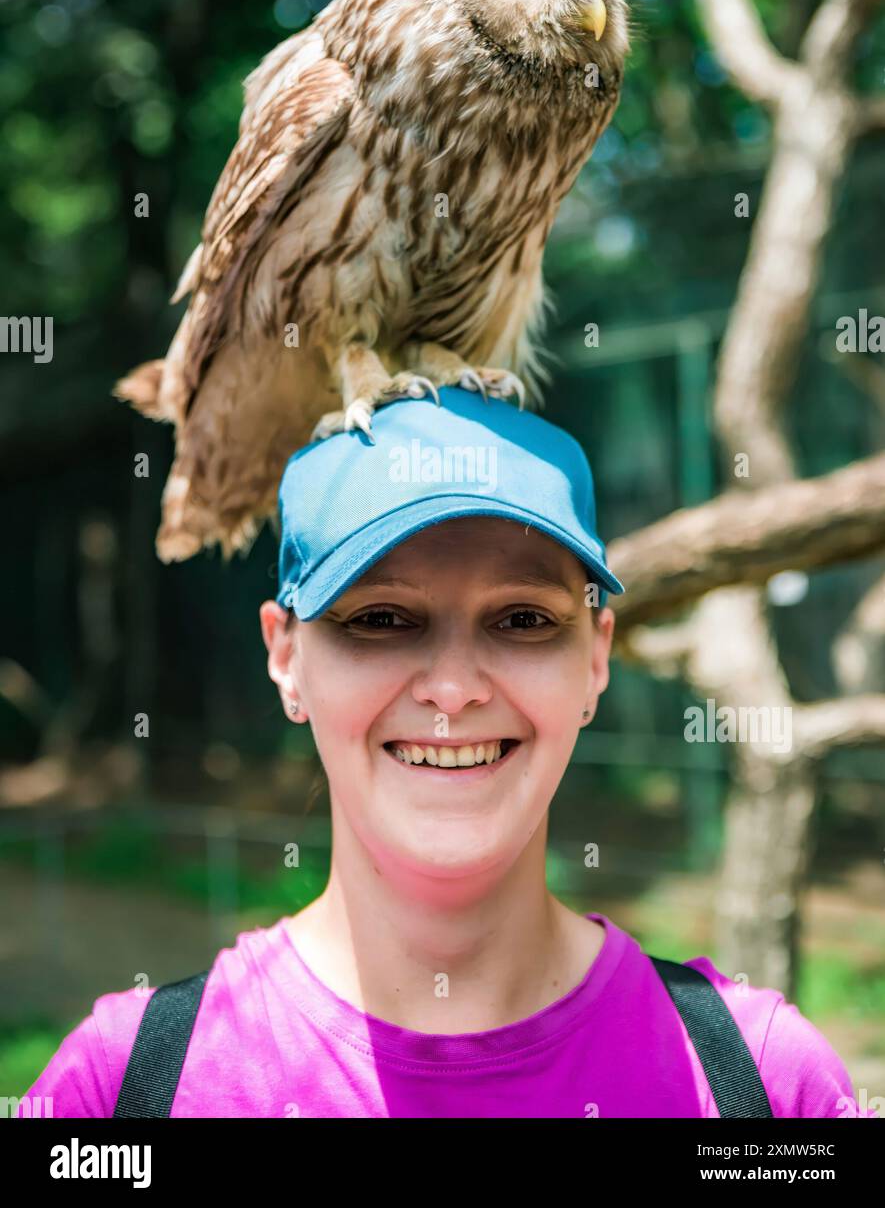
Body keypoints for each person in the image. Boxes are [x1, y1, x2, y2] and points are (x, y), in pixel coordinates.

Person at [19, 388, 866, 1117]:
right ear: (286, 657)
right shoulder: (127, 1089)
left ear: (596, 656)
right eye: (381, 620)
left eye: (522, 620)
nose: (453, 688)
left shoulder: (759, 1085)